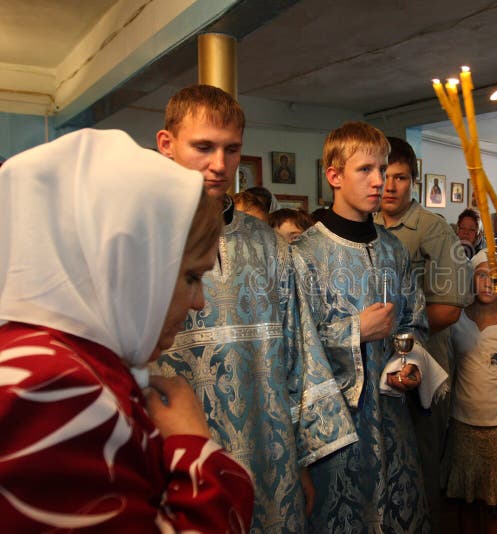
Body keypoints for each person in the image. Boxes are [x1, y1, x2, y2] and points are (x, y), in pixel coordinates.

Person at [0, 129, 254, 530]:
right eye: (190, 276)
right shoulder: (55, 392)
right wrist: (194, 449)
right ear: (127, 268)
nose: (199, 301)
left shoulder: (48, 358)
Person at [153, 85, 355, 533]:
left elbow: (300, 357)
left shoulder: (270, 246)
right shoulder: (140, 238)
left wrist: (300, 462)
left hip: (270, 464)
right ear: (166, 144)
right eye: (203, 147)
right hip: (172, 460)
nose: (220, 165)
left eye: (232, 150)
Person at [292, 121, 445, 533]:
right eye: (366, 170)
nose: (380, 182)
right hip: (340, 431)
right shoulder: (304, 254)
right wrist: (354, 330)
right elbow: (295, 350)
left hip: (394, 419)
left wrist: (409, 365)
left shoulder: (393, 248)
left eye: (383, 169)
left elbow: (415, 321)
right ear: (334, 175)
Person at [375, 136, 473, 530]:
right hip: (380, 363)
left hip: (423, 362)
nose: (389, 186)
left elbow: (449, 309)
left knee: (421, 459)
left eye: (399, 177)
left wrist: (395, 330)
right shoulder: (370, 225)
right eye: (383, 175)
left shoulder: (433, 230)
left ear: (413, 181)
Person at [441, 248, 497, 534]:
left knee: (496, 508)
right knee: (466, 504)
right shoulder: (457, 321)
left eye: (496, 278)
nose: (488, 283)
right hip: (463, 426)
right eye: (481, 275)